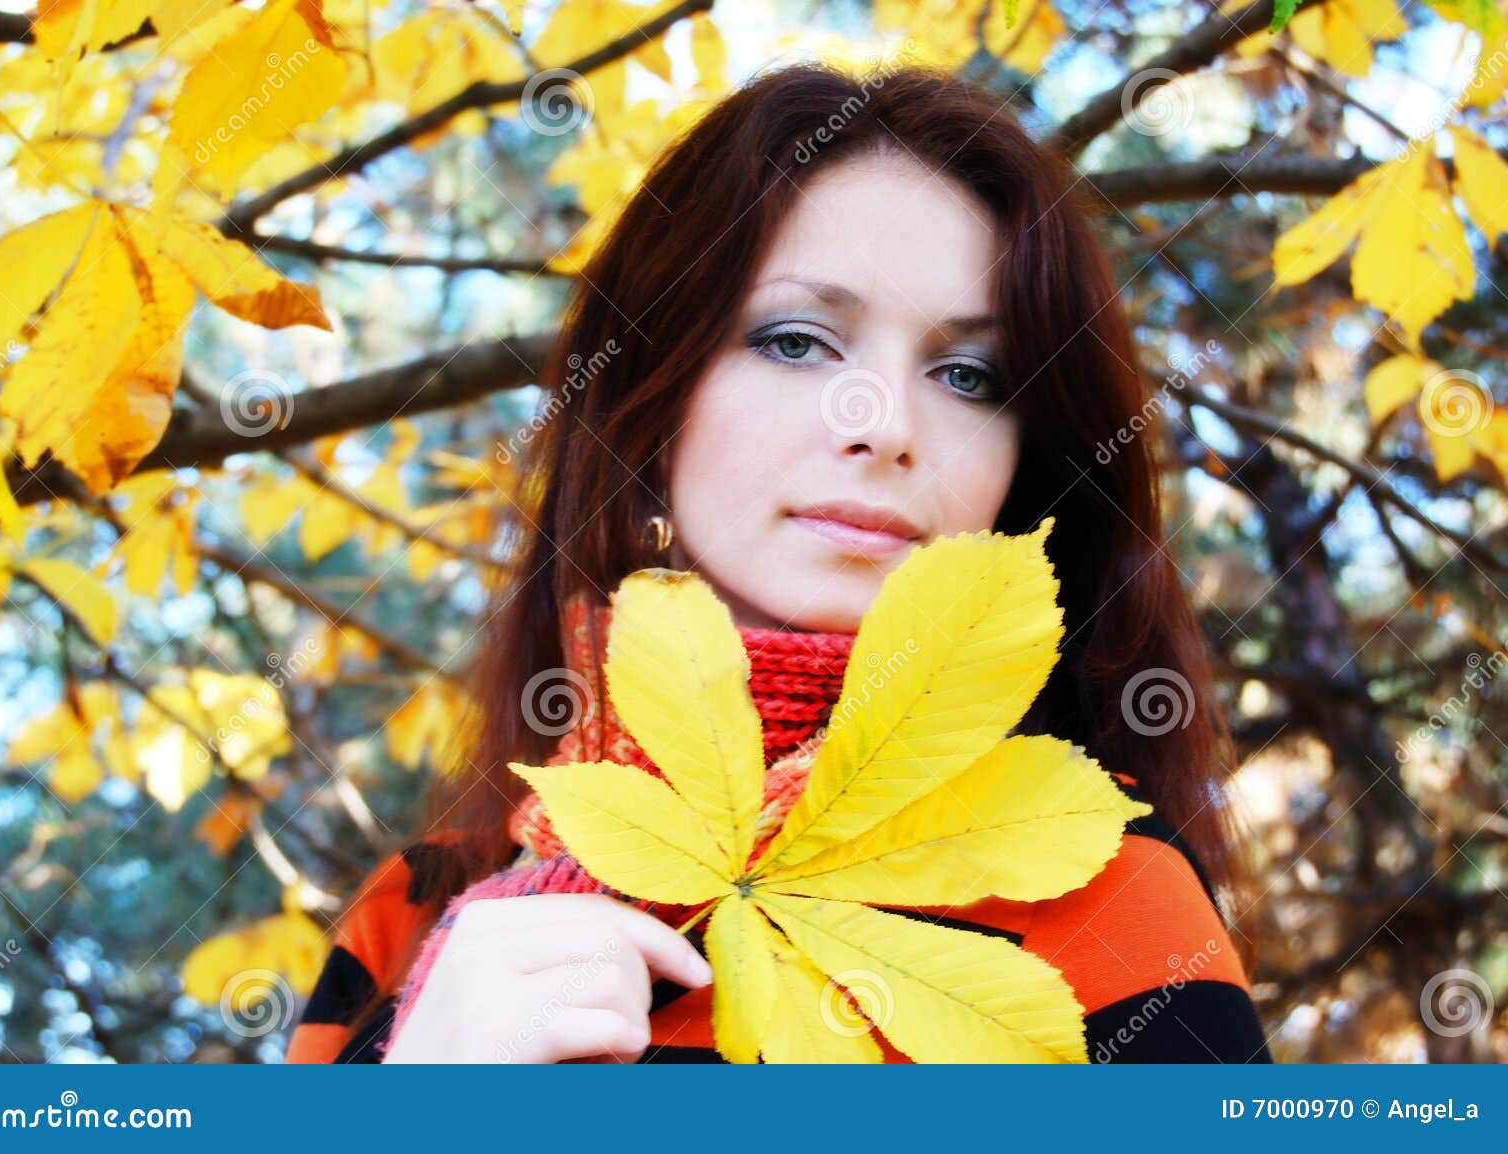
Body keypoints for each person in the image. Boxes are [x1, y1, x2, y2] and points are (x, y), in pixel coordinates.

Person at [285, 61, 1274, 1065]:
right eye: (797, 341)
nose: (882, 424)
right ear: (650, 397)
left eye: (969, 374)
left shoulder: (1100, 874)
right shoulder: (410, 909)